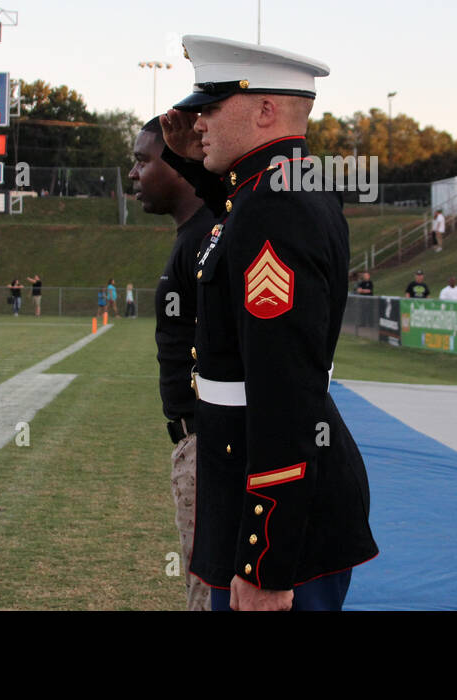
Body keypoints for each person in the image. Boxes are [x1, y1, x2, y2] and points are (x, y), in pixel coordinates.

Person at [159, 34, 378, 611]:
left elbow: (285, 392)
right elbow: (231, 214)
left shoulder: (274, 205)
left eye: (211, 106)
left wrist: (264, 562)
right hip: (261, 493)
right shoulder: (279, 188)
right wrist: (188, 158)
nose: (197, 119)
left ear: (263, 109)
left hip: (279, 520)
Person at [128, 115, 216, 611]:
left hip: (209, 442)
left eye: (143, 160)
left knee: (207, 592)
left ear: (181, 166)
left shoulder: (207, 239)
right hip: (197, 438)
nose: (133, 174)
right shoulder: (194, 236)